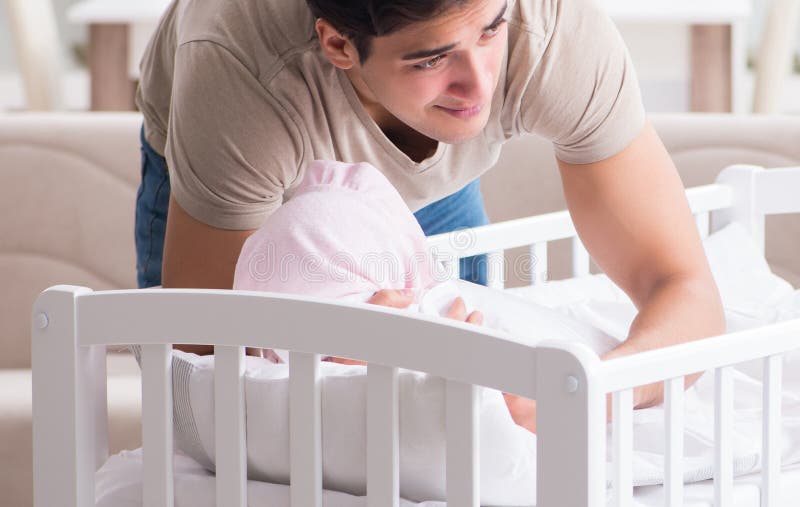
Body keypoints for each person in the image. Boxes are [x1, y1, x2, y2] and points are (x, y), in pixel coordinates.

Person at [134, 0, 725, 409]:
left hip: (430, 179)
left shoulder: (554, 34)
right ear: (338, 44)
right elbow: (201, 379)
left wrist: (592, 399)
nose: (481, 85)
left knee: (471, 387)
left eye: (490, 29)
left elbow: (683, 287)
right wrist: (314, 369)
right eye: (432, 59)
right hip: (242, 163)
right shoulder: (241, 81)